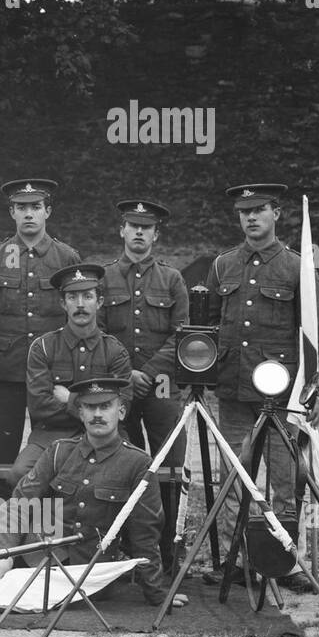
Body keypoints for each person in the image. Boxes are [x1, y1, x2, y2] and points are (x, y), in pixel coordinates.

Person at [0, 377, 187, 608]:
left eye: (105, 406)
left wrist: (156, 593)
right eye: (90, 408)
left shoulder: (138, 463)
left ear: (121, 411)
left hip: (84, 571)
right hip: (32, 549)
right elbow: (20, 502)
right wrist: (4, 553)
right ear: (80, 413)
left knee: (4, 594)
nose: (98, 414)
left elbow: (146, 532)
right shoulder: (59, 451)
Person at [205, 183, 319, 588]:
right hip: (234, 388)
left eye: (260, 210)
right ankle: (236, 561)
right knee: (233, 480)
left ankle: (286, 563)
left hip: (280, 394)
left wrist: (318, 387)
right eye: (245, 212)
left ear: (277, 213)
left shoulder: (296, 268)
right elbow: (207, 327)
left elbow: (315, 333)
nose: (251, 218)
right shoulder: (223, 265)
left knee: (283, 480)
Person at [0, 178, 81, 465]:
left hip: (52, 370)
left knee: (54, 448)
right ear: (11, 212)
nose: (28, 213)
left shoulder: (66, 257)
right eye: (21, 207)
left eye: (35, 206)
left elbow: (74, 315)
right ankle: (0, 508)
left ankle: (49, 508)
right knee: (2, 447)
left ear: (48, 211)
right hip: (7, 369)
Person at [11, 264, 132, 484]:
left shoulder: (115, 351)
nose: (80, 305)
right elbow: (39, 406)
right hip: (50, 436)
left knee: (125, 476)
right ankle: (42, 520)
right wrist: (97, 408)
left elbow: (123, 408)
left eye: (87, 296)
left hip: (105, 437)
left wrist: (70, 399)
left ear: (100, 302)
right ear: (62, 303)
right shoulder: (43, 348)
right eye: (72, 297)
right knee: (21, 474)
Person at [98, 198, 188, 469]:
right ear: (122, 230)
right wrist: (126, 374)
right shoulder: (104, 277)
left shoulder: (171, 279)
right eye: (133, 226)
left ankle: (170, 512)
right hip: (117, 381)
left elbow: (182, 333)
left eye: (146, 227)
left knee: (170, 458)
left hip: (160, 381)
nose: (139, 232)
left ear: (155, 235)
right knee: (122, 460)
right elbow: (97, 332)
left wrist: (147, 373)